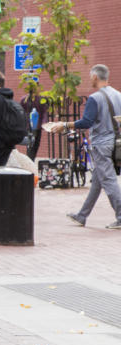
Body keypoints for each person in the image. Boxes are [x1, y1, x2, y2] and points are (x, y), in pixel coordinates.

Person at [50, 64, 121, 229]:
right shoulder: (118, 95)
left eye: (90, 77)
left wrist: (65, 125)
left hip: (101, 144)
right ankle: (82, 215)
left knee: (109, 181)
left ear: (95, 77)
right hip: (115, 142)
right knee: (97, 180)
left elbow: (86, 122)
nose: (90, 80)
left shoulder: (94, 98)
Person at [20, 81, 48, 160]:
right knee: (30, 146)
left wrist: (43, 123)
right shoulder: (25, 100)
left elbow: (44, 112)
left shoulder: (41, 99)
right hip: (28, 127)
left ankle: (31, 160)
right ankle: (30, 161)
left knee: (36, 145)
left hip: (37, 126)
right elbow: (21, 112)